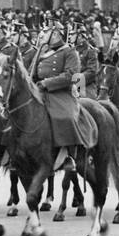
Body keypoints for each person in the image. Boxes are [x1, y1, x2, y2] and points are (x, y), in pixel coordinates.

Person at [32, 19, 91, 173]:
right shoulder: (42, 51)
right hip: (39, 91)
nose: (42, 34)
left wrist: (47, 83)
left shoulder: (69, 52)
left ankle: (69, 155)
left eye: (46, 31)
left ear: (56, 34)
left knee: (66, 117)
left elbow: (71, 75)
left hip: (60, 92)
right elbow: (31, 72)